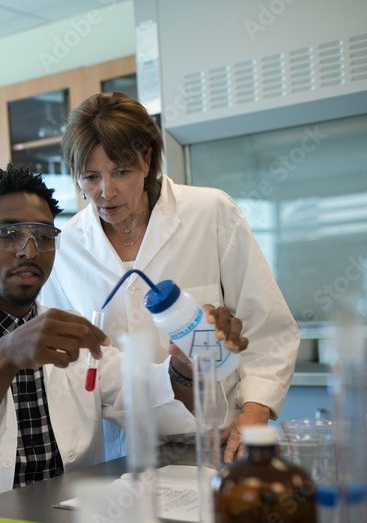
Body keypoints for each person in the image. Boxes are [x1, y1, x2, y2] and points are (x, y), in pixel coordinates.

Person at [0, 164, 248, 516]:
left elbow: (145, 397)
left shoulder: (69, 332)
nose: (29, 250)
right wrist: (5, 356)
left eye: (43, 236)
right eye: (8, 234)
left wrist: (183, 367)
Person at [40, 92, 298, 461]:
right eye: (91, 177)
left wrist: (255, 411)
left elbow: (267, 324)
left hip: (217, 439)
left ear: (146, 159)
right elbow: (67, 366)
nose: (106, 192)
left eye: (121, 172)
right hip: (118, 452)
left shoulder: (210, 212)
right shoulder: (66, 249)